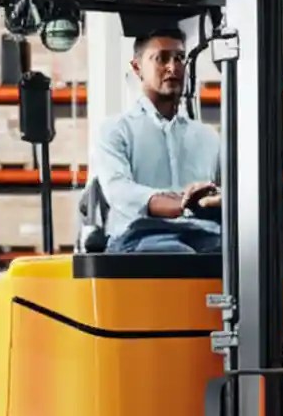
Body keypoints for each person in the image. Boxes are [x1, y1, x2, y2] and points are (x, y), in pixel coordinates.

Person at [92, 27, 223, 253]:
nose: (173, 67)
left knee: (260, 255)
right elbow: (119, 191)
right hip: (138, 236)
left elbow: (226, 190)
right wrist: (182, 205)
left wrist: (215, 199)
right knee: (176, 252)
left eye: (179, 58)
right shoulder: (115, 130)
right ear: (137, 67)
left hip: (203, 234)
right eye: (161, 59)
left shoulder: (208, 137)